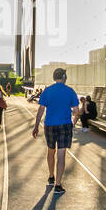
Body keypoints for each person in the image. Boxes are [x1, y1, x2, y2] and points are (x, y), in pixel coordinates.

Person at [32, 67, 79, 195]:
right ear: (64, 77)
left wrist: (36, 126)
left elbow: (41, 110)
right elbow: (76, 112)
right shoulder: (70, 91)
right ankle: (58, 185)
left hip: (50, 126)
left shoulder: (47, 91)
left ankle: (51, 176)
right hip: (65, 125)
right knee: (61, 155)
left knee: (50, 151)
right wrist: (73, 124)